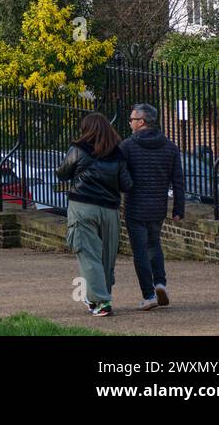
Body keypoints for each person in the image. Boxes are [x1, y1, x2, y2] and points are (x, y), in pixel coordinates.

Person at [57, 112, 133, 317]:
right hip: (110, 210)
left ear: (87, 129)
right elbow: (127, 184)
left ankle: (101, 301)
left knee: (88, 254)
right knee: (107, 257)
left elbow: (62, 172)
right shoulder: (118, 153)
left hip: (83, 206)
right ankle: (98, 296)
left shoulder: (78, 149)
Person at [119, 103, 185, 311]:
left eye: (132, 119)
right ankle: (160, 283)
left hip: (135, 206)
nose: (130, 123)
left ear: (142, 122)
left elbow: (122, 176)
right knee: (154, 245)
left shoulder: (127, 146)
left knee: (140, 251)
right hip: (158, 206)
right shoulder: (170, 147)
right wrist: (178, 209)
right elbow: (178, 181)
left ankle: (149, 295)